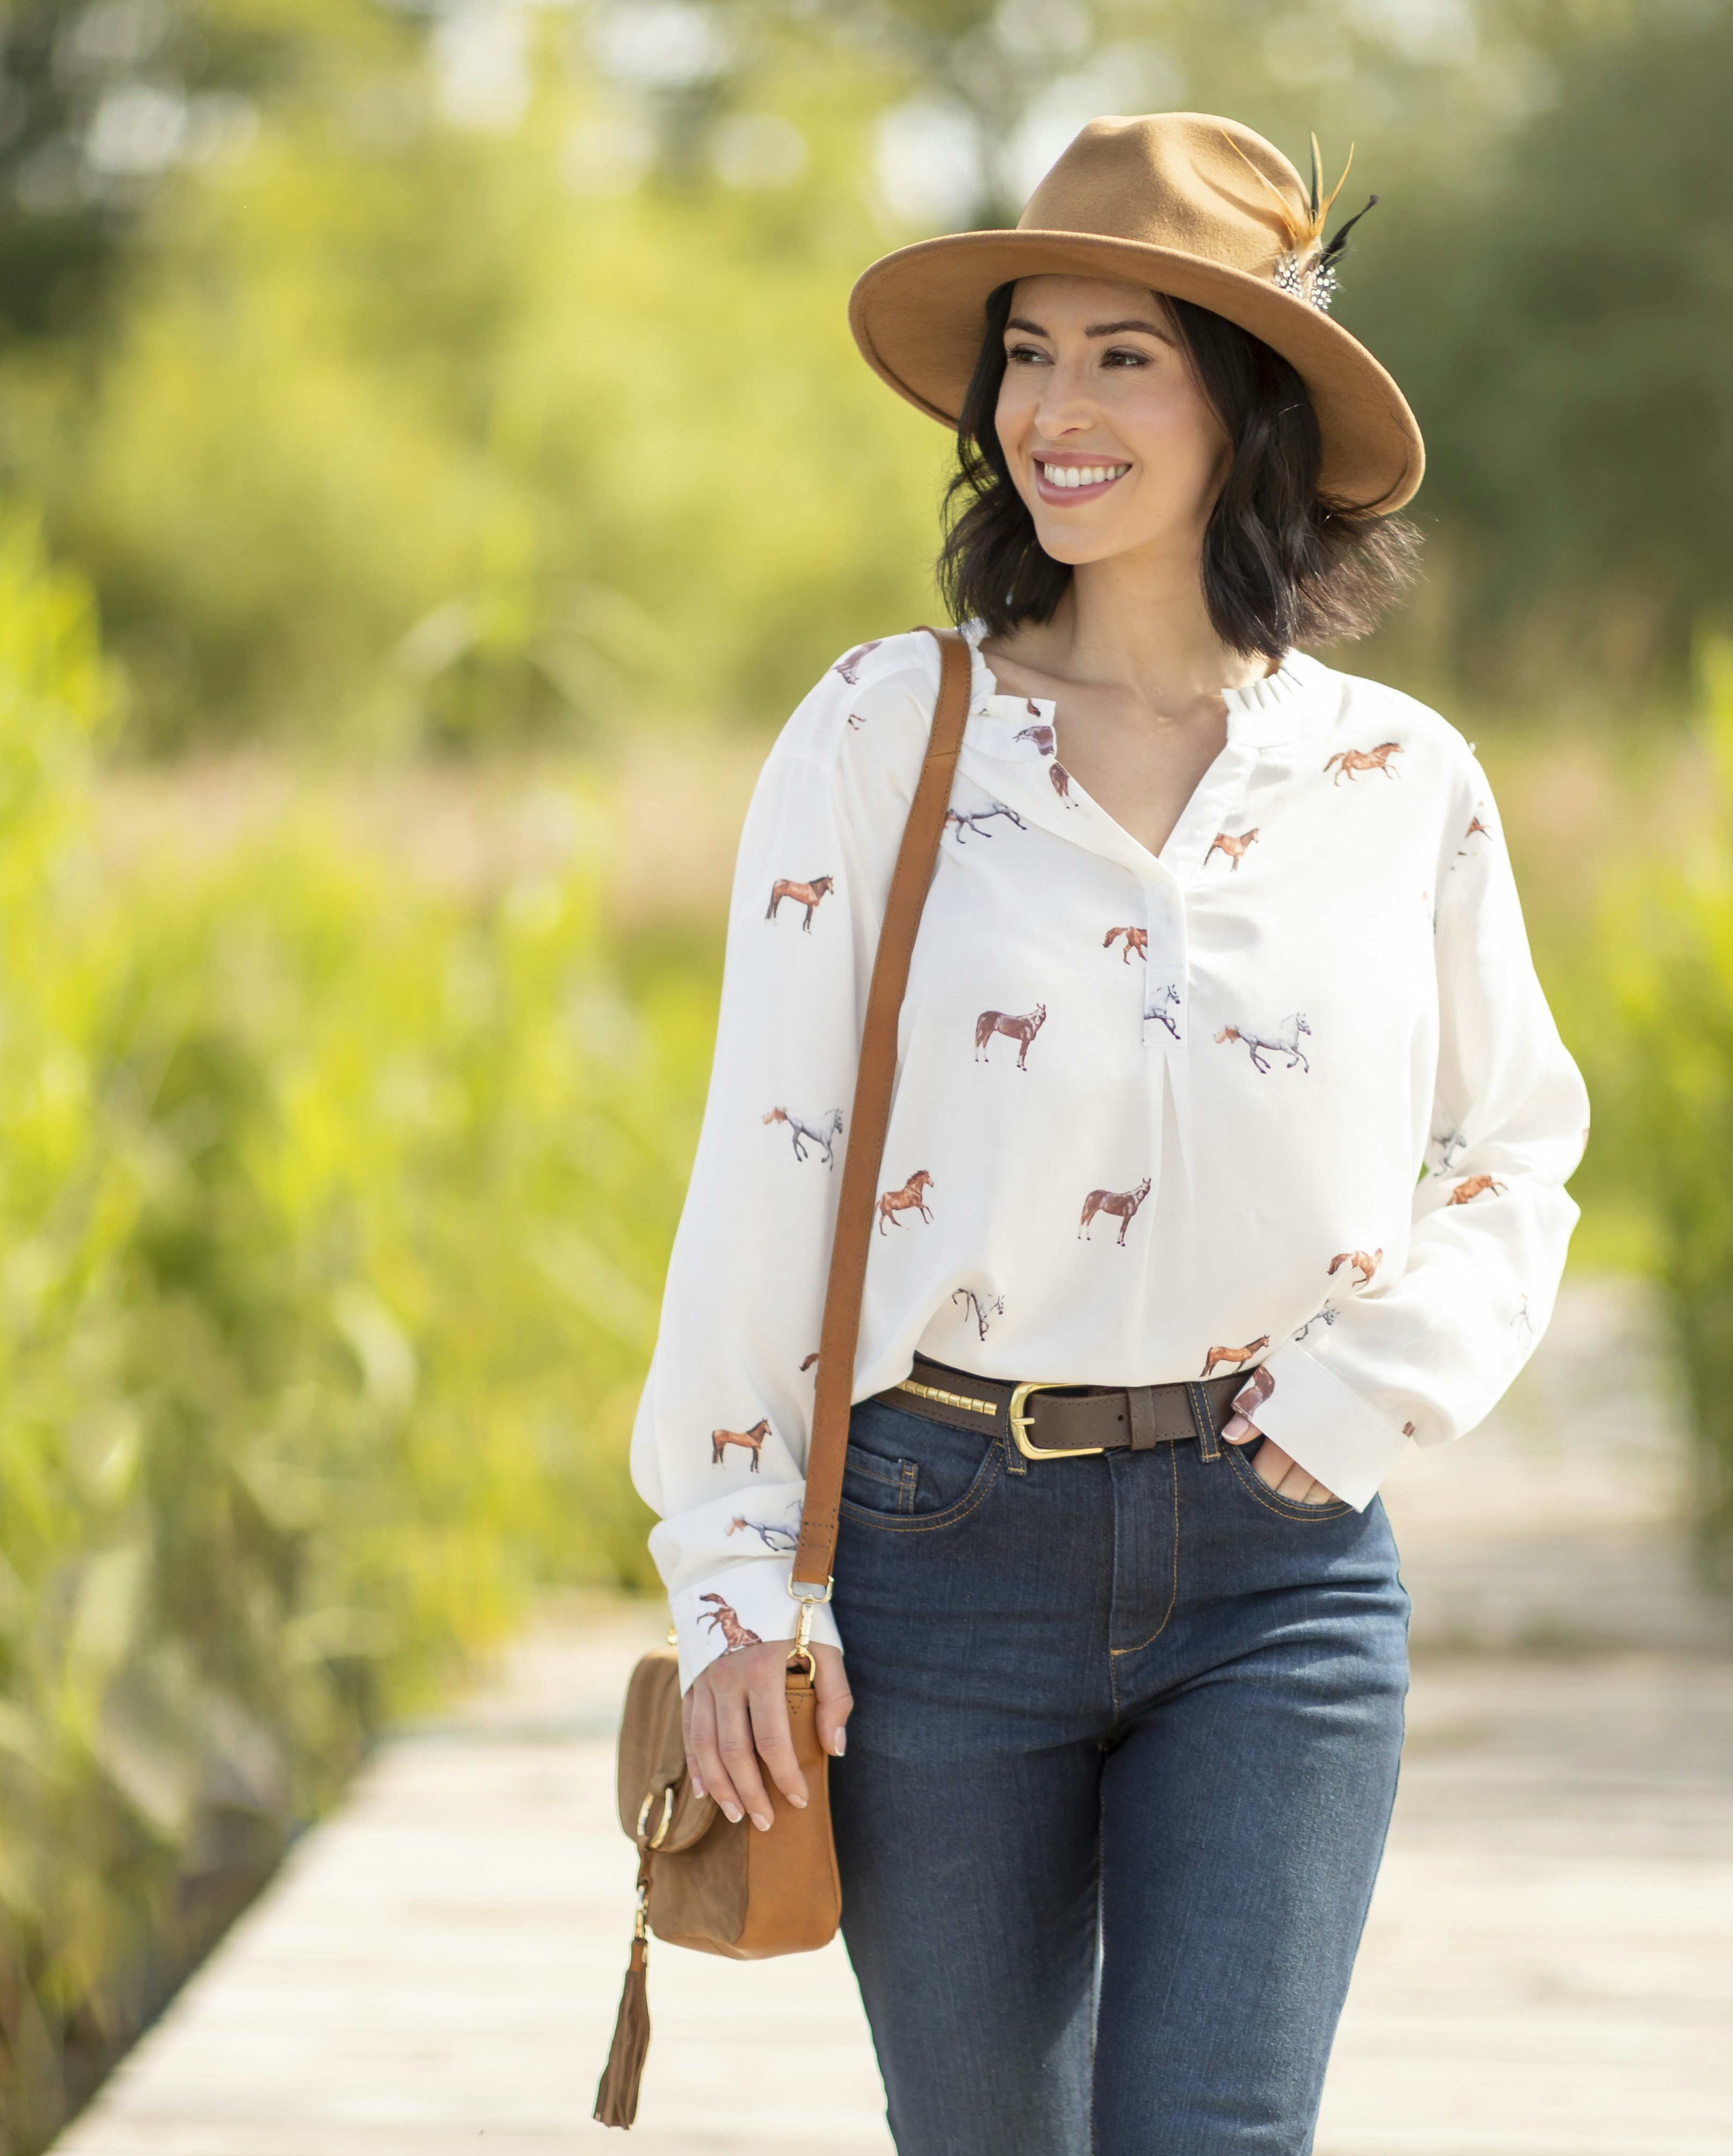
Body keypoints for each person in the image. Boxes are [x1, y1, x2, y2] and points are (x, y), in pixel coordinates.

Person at [623, 111, 1589, 2154]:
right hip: (932, 1560)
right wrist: (728, 1578)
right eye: (1029, 352)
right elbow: (767, 1161)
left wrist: (1367, 1395)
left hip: (1280, 1569)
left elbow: (1513, 1150)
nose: (1052, 408)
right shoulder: (886, 733)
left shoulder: (1395, 777)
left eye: (1121, 355)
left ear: (1246, 407)